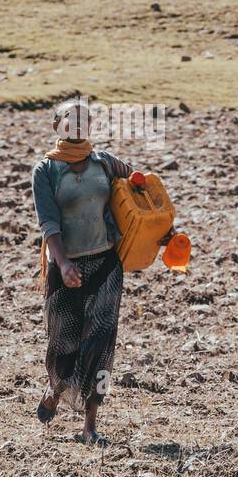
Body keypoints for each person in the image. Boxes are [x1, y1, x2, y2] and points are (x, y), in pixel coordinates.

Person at [31, 99, 171, 446]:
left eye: (84, 120)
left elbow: (141, 194)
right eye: (70, 119)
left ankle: (90, 425)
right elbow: (48, 223)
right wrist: (63, 264)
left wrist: (162, 230)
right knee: (63, 343)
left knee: (102, 344)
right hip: (65, 268)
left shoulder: (106, 163)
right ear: (56, 126)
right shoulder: (45, 171)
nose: (78, 125)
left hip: (106, 264)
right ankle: (55, 390)